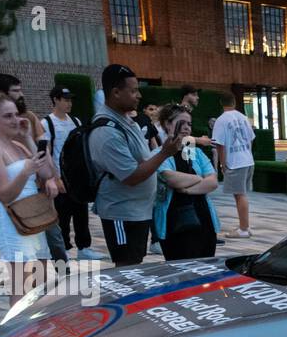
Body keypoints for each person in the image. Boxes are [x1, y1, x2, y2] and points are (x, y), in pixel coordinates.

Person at [88, 63, 180, 267]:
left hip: (136, 211)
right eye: (133, 90)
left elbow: (143, 159)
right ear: (116, 92)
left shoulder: (125, 120)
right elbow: (131, 176)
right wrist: (165, 153)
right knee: (125, 269)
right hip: (121, 213)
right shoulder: (107, 130)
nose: (139, 95)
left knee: (134, 265)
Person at [0, 93, 60, 304]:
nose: (15, 120)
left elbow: (48, 173)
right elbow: (4, 193)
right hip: (10, 218)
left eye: (15, 114)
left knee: (39, 280)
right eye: (7, 116)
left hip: (32, 215)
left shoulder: (18, 144)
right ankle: (18, 334)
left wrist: (29, 138)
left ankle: (35, 329)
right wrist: (24, 172)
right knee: (21, 284)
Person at [152, 103, 219, 260]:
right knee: (179, 271)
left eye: (189, 124)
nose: (186, 128)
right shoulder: (159, 154)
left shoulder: (196, 152)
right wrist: (198, 178)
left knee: (205, 270)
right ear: (167, 124)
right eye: (181, 123)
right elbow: (171, 179)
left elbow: (213, 182)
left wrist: (188, 189)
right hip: (173, 223)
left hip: (204, 220)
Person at [43, 85, 102, 262]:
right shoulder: (47, 123)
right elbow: (46, 152)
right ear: (55, 100)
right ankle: (65, 248)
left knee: (81, 213)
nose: (69, 103)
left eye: (70, 100)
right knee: (62, 215)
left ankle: (84, 247)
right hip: (60, 177)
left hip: (77, 178)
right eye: (65, 99)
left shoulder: (75, 121)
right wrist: (55, 177)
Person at [210, 92, 255, 239]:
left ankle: (244, 228)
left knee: (239, 195)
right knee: (242, 194)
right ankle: (245, 226)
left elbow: (220, 145)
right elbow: (251, 138)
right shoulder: (243, 117)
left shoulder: (221, 120)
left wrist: (223, 164)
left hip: (235, 162)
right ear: (234, 102)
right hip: (247, 159)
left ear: (221, 103)